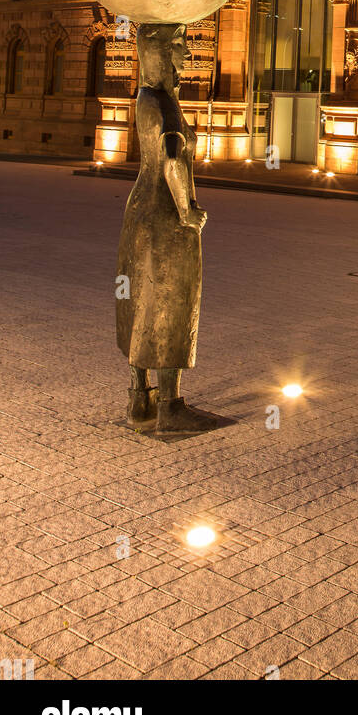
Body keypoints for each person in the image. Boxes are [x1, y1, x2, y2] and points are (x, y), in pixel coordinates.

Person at [117, 23, 214, 434]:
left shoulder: (144, 98)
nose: (185, 57)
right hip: (166, 216)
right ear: (157, 52)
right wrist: (187, 211)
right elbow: (173, 157)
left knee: (140, 297)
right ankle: (171, 406)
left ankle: (140, 399)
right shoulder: (166, 104)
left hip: (139, 211)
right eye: (177, 47)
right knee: (172, 301)